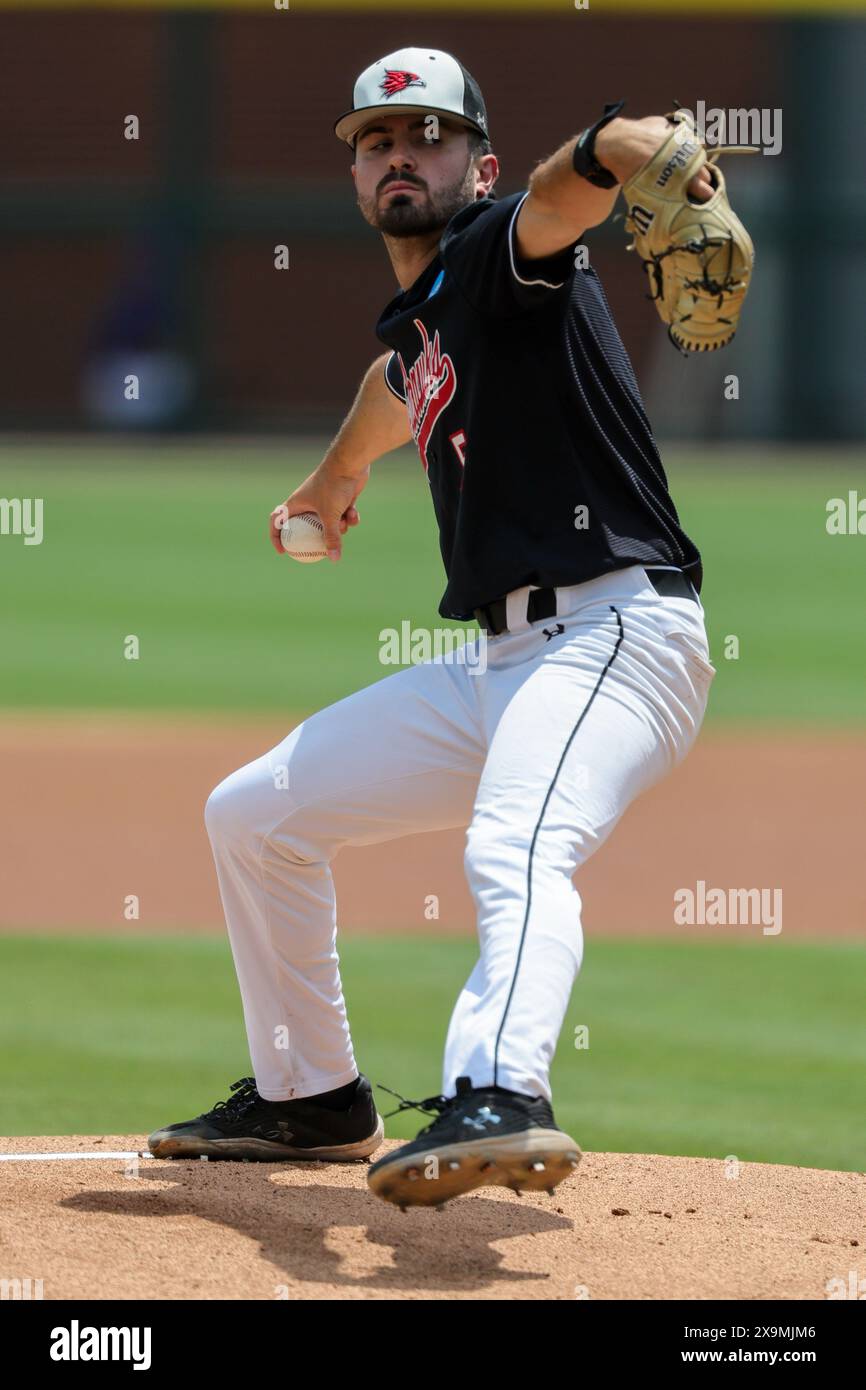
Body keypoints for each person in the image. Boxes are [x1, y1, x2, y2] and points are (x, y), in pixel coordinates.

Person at [148, 48, 716, 1210]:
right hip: (500, 660)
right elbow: (399, 377)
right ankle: (311, 1097)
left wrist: (619, 144)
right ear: (357, 178)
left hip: (616, 638)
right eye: (375, 141)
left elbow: (569, 195)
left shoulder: (503, 250)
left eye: (427, 135)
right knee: (254, 815)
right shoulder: (430, 313)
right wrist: (328, 480)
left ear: (481, 161)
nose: (398, 155)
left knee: (512, 846)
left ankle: (502, 1091)